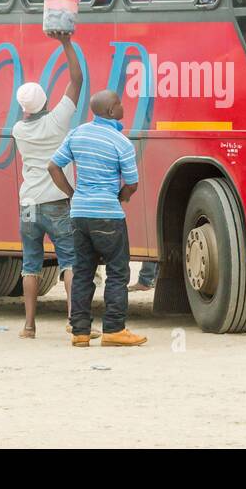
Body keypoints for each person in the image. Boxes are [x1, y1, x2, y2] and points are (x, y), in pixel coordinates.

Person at [48, 90, 147, 347]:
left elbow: (53, 166)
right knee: (117, 271)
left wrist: (72, 194)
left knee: (82, 272)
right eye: (120, 104)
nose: (123, 107)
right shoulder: (120, 142)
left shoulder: (77, 133)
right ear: (111, 111)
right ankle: (114, 329)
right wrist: (120, 197)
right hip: (108, 216)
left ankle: (80, 332)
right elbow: (133, 184)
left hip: (79, 213)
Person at [11, 31, 86, 339]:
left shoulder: (18, 129)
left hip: (28, 205)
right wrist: (66, 43)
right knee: (69, 261)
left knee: (31, 265)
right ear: (45, 101)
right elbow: (76, 80)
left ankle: (29, 325)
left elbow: (27, 115)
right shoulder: (58, 121)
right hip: (57, 201)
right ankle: (72, 318)